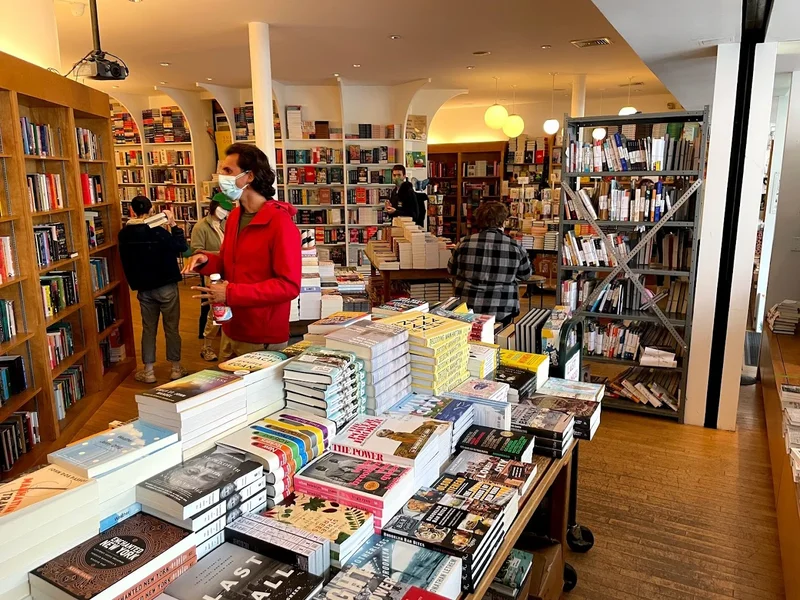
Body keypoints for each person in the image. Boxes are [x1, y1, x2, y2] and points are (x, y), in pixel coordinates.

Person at [182, 143, 301, 359]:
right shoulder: (235, 216)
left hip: (261, 336)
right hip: (231, 325)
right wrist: (205, 260)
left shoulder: (280, 224)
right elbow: (231, 262)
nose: (221, 176)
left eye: (228, 171)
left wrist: (230, 293)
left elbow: (289, 286)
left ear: (250, 177)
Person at [118, 196, 188, 383]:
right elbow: (181, 246)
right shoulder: (158, 232)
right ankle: (175, 368)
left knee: (148, 329)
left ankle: (148, 372)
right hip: (166, 285)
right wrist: (173, 224)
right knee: (171, 328)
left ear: (131, 211)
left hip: (143, 287)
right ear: (151, 211)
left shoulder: (124, 234)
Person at [448, 201, 531, 326]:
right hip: (502, 308)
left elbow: (451, 270)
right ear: (503, 221)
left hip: (468, 308)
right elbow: (526, 275)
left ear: (479, 219)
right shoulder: (515, 246)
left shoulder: (464, 243)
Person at [190, 193, 233, 362]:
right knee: (214, 312)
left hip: (227, 272)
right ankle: (206, 346)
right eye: (223, 209)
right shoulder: (201, 227)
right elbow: (196, 252)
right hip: (213, 274)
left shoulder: (226, 224)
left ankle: (227, 344)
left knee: (229, 310)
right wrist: (220, 255)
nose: (225, 213)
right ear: (214, 207)